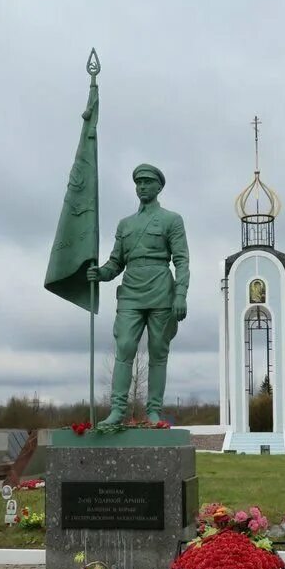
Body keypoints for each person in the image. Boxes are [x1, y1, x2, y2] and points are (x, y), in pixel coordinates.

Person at [87, 164, 190, 424]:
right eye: (139, 182)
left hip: (161, 291)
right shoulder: (125, 224)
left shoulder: (171, 219)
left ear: (158, 187)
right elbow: (115, 263)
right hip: (131, 289)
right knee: (124, 347)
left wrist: (181, 295)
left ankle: (153, 411)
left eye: (147, 182)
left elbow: (182, 261)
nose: (142, 186)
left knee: (158, 351)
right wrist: (99, 273)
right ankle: (117, 410)